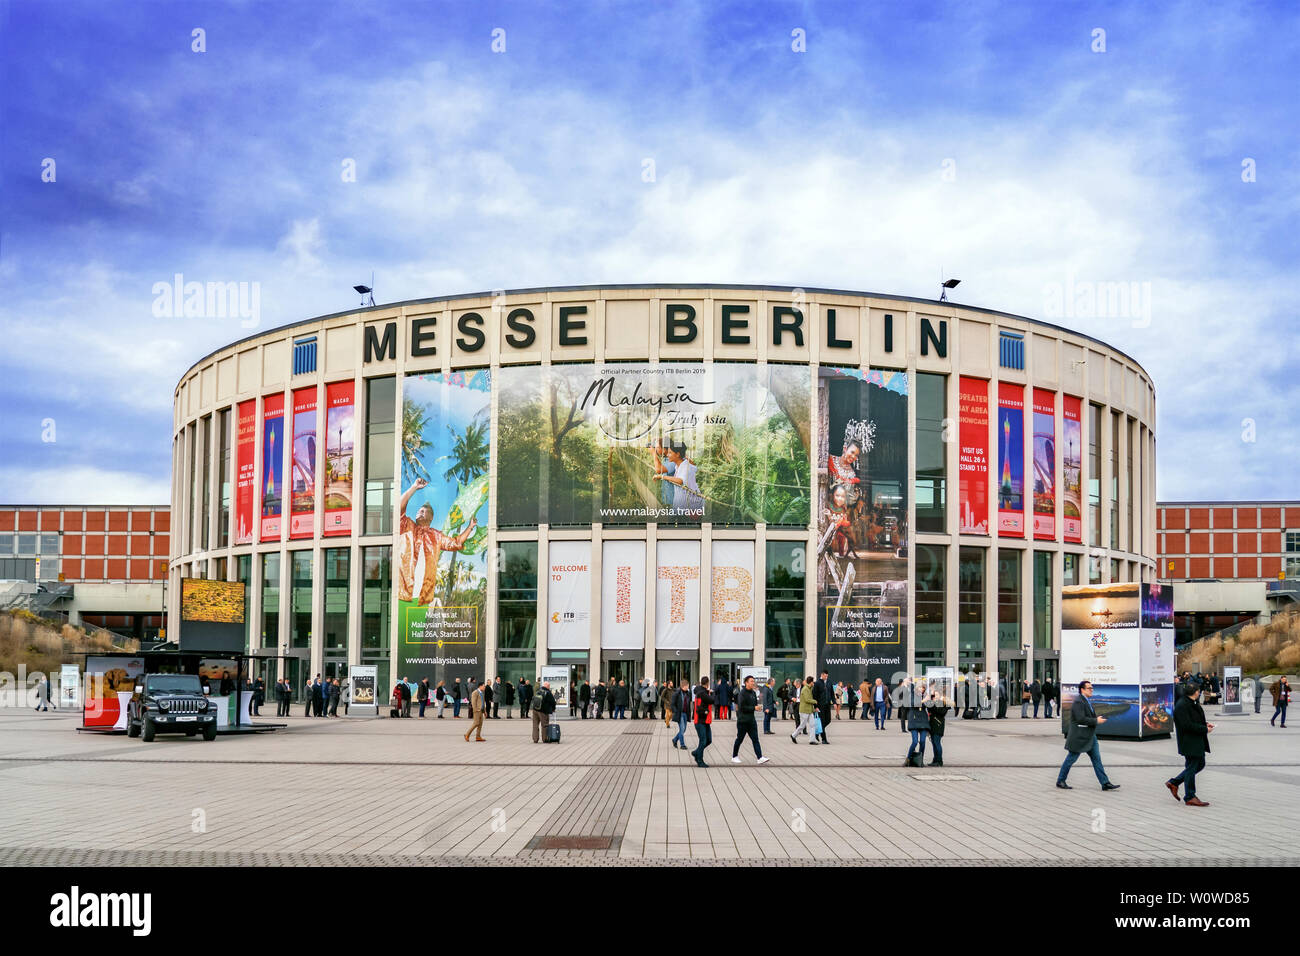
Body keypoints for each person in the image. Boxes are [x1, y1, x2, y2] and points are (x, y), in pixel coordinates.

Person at [396, 477, 477, 607]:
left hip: (423, 597)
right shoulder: (407, 526)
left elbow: (456, 543)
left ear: (431, 517)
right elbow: (398, 509)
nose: (419, 513)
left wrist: (470, 527)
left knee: (418, 626)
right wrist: (414, 487)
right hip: (402, 593)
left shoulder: (436, 536)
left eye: (423, 511)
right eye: (418, 511)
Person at [1056, 680, 1120, 791]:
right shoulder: (1078, 701)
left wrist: (1095, 719)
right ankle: (1060, 780)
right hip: (1079, 737)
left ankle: (1105, 783)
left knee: (1097, 760)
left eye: (1092, 688)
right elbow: (1080, 719)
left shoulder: (1086, 700)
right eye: (1089, 688)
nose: (1091, 690)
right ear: (1082, 690)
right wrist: (1096, 721)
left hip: (1090, 736)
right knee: (1071, 759)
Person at [1167, 682, 1213, 806]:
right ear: (1196, 692)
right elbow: (1186, 725)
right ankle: (1190, 796)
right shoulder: (1182, 705)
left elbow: (1195, 720)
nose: (1199, 693)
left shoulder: (1192, 702)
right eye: (1199, 690)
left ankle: (1174, 782)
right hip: (1189, 741)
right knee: (1192, 767)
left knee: (1199, 764)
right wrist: (1204, 729)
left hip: (1196, 740)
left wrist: (1205, 724)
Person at [731, 676, 770, 765]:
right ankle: (734, 756)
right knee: (739, 739)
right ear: (746, 683)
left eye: (754, 681)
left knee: (755, 739)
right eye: (751, 681)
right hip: (743, 721)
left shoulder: (753, 693)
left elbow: (754, 705)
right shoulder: (742, 693)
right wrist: (754, 707)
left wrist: (757, 708)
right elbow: (742, 707)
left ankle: (760, 757)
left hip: (751, 720)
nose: (753, 683)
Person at [691, 677, 714, 768]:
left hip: (704, 721)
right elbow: (712, 700)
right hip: (701, 721)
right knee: (703, 741)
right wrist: (712, 693)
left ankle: (696, 752)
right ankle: (699, 760)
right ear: (707, 683)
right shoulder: (702, 693)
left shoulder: (700, 691)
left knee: (708, 740)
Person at [904, 684, 929, 767]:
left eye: (923, 688)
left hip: (923, 720)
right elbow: (913, 704)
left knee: (922, 741)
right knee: (915, 742)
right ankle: (908, 759)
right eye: (921, 687)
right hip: (914, 720)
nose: (922, 689)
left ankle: (920, 760)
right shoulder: (912, 695)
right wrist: (923, 701)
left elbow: (928, 705)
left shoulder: (925, 696)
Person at [790, 676, 818, 744]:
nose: (813, 683)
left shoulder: (809, 688)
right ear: (811, 682)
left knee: (812, 725)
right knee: (802, 725)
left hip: (809, 710)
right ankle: (793, 735)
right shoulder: (805, 689)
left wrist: (813, 708)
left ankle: (812, 740)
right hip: (804, 710)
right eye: (813, 682)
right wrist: (815, 701)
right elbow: (807, 699)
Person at [926, 691, 947, 766]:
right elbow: (929, 709)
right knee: (934, 743)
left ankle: (939, 761)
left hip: (938, 724)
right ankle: (935, 760)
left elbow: (941, 712)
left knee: (937, 742)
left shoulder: (943, 704)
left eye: (937, 695)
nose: (935, 696)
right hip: (932, 725)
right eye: (934, 695)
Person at [670, 679, 691, 750]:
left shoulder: (688, 693)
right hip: (680, 713)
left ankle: (675, 740)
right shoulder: (677, 693)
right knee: (682, 729)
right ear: (683, 686)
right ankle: (682, 745)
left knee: (684, 729)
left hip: (685, 713)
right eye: (687, 686)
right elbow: (672, 704)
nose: (688, 687)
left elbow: (688, 703)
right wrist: (675, 711)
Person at [814, 671, 832, 743]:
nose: (826, 677)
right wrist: (815, 706)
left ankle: (817, 732)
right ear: (822, 675)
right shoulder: (817, 683)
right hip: (820, 705)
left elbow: (831, 692)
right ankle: (824, 739)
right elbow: (815, 695)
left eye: (827, 676)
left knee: (828, 720)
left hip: (827, 704)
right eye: (825, 676)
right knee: (822, 721)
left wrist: (833, 701)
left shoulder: (829, 682)